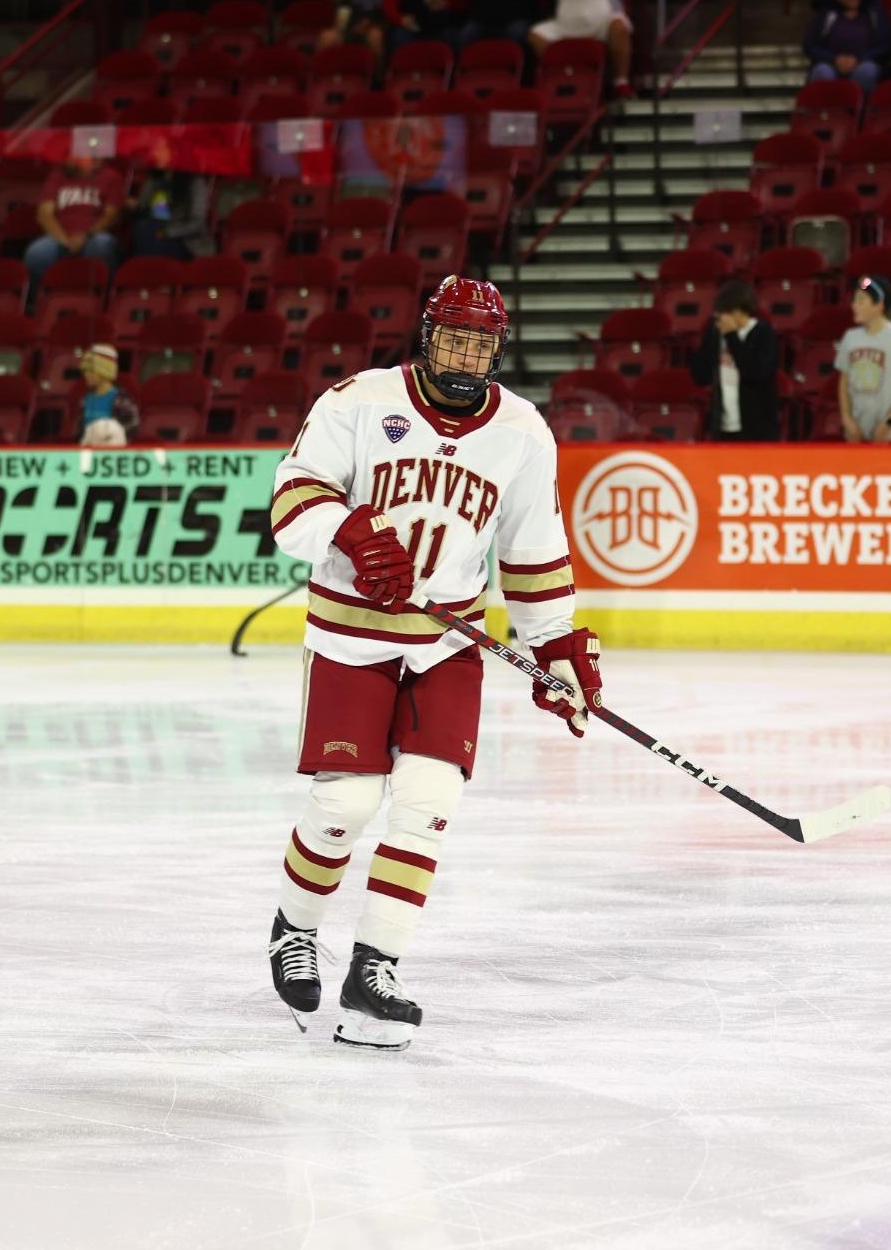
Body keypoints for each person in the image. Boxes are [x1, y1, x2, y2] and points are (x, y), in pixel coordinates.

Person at [264, 276, 600, 1052]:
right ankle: (295, 925)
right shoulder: (357, 400)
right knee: (347, 803)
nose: (466, 354)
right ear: (425, 336)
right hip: (352, 635)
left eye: (481, 343)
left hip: (448, 642)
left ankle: (374, 969)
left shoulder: (521, 429)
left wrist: (555, 643)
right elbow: (291, 498)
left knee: (427, 799)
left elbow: (532, 545)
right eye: (454, 338)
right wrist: (351, 535)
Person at [688, 280, 781, 442]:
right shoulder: (715, 333)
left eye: (725, 312)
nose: (720, 318)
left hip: (757, 429)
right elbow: (700, 377)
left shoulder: (764, 334)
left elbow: (755, 373)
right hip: (723, 428)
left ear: (739, 312)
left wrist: (732, 337)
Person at [836, 276, 891, 443]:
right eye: (854, 300)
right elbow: (844, 382)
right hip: (858, 434)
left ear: (879, 305)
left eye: (861, 301)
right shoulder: (850, 337)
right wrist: (847, 420)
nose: (854, 306)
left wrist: (888, 423)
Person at [25, 155, 124, 292]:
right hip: (60, 237)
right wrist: (65, 240)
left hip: (94, 235)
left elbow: (111, 215)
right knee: (37, 252)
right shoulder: (57, 177)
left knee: (101, 245)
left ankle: (98, 299)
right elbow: (45, 214)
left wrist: (86, 236)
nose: (68, 159)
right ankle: (43, 302)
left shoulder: (111, 177)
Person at [529, 0, 634, 97]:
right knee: (536, 34)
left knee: (619, 27)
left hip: (601, 20)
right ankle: (568, 73)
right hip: (566, 24)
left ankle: (621, 83)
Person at [804, 0, 891, 91]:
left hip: (864, 61)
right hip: (830, 63)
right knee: (822, 72)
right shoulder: (826, 13)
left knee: (867, 71)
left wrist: (858, 59)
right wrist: (834, 59)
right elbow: (810, 46)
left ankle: (862, 104)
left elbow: (884, 45)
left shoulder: (874, 13)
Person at [77, 343, 138, 446]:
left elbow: (132, 425)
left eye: (91, 371)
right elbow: (80, 429)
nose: (86, 375)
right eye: (85, 371)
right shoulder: (85, 399)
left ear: (103, 371)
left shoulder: (120, 399)